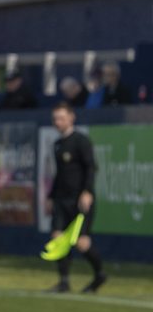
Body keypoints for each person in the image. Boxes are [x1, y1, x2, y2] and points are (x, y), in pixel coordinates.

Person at [46, 102, 105, 293]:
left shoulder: (81, 141)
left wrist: (87, 192)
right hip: (61, 199)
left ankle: (99, 275)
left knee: (82, 243)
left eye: (61, 118)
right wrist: (50, 196)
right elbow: (60, 174)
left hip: (80, 200)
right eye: (55, 118)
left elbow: (90, 168)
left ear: (72, 118)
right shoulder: (57, 144)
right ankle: (64, 281)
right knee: (58, 238)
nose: (57, 122)